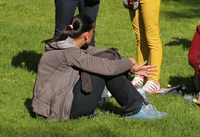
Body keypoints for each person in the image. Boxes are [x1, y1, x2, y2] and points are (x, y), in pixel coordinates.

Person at [32, 14, 166, 121]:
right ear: (86, 35)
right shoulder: (70, 52)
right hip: (61, 109)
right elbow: (109, 68)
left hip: (51, 106)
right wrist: (130, 62)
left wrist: (130, 66)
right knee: (105, 69)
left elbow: (106, 53)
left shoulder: (65, 45)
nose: (93, 34)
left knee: (104, 62)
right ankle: (136, 109)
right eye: (93, 31)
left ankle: (136, 105)